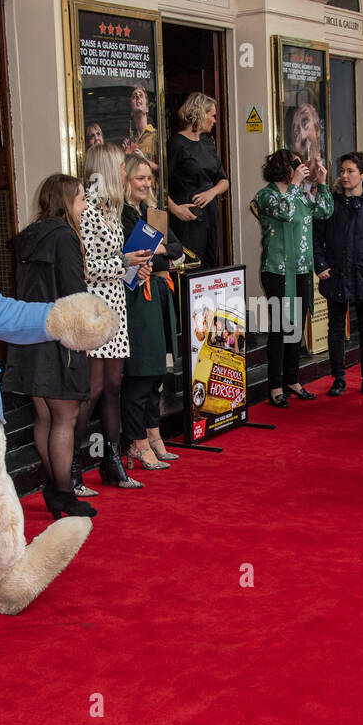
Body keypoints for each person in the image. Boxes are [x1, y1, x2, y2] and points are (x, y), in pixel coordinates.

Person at [3, 174, 97, 520]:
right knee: (65, 417)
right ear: (65, 201)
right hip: (60, 335)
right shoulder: (65, 237)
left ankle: (55, 487)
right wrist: (84, 334)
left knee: (44, 415)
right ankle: (62, 491)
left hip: (30, 332)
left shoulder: (29, 235)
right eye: (81, 199)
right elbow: (74, 293)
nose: (85, 206)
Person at [77, 143, 153, 490]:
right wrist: (125, 263)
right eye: (121, 166)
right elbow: (87, 267)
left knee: (112, 388)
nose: (124, 172)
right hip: (94, 307)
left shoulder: (111, 207)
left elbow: (114, 264)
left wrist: (135, 270)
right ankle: (71, 467)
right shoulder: (87, 208)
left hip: (116, 303)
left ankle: (113, 462)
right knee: (91, 390)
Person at [253, 148, 333, 407]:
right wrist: (297, 183)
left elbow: (324, 212)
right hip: (276, 270)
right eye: (296, 165)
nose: (301, 168)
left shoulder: (299, 193)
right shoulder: (266, 196)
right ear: (284, 167)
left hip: (300, 270)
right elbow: (285, 212)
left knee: (295, 327)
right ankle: (275, 386)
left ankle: (292, 379)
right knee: (279, 328)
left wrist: (321, 184)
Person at [119, 153, 182, 470]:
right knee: (140, 374)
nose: (145, 183)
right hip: (133, 301)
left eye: (148, 178)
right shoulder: (121, 216)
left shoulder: (153, 213)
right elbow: (131, 261)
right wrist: (161, 256)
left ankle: (155, 435)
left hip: (158, 296)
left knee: (157, 372)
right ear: (125, 179)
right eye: (139, 178)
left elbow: (177, 249)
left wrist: (160, 253)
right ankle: (137, 441)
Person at [313, 151, 363, 397]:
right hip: (335, 273)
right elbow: (315, 236)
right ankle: (338, 378)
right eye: (342, 171)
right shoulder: (330, 201)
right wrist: (321, 264)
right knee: (335, 328)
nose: (345, 176)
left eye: (351, 171)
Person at [166, 92, 230, 269]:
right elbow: (160, 185)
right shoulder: (176, 144)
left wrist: (212, 193)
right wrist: (176, 210)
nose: (214, 120)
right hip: (187, 217)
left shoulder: (208, 144)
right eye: (212, 115)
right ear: (200, 114)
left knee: (210, 262)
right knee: (191, 265)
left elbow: (224, 181)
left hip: (210, 213)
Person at [122, 86, 158, 163]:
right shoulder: (130, 141)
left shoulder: (155, 136)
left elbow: (162, 169)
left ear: (147, 108)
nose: (137, 97)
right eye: (134, 96)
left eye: (141, 95)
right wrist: (126, 156)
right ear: (131, 111)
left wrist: (143, 160)